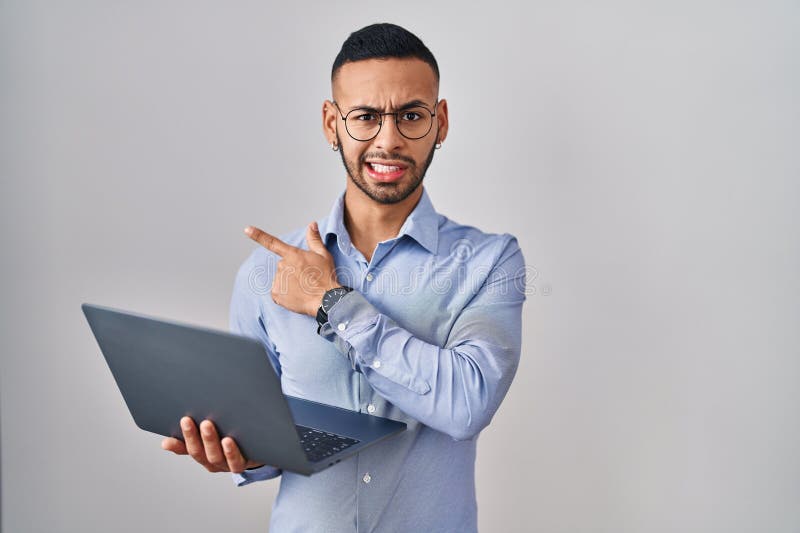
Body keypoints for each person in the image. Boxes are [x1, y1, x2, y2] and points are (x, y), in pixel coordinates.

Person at [161, 22, 526, 532]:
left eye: (411, 116)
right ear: (331, 123)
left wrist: (331, 303)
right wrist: (239, 454)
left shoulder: (490, 263)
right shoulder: (266, 274)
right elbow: (265, 434)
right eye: (366, 117)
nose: (389, 140)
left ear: (440, 122)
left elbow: (466, 404)